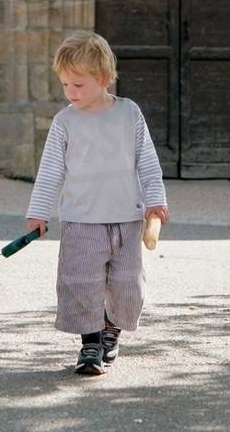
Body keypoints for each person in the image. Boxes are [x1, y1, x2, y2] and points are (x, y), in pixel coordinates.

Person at [24, 30, 170, 376]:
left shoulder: (129, 114)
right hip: (81, 220)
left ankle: (111, 330)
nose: (70, 93)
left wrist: (155, 201)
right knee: (81, 282)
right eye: (64, 86)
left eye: (78, 85)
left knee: (128, 285)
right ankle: (90, 345)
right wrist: (38, 213)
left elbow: (147, 161)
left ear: (104, 79)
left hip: (126, 219)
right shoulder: (65, 123)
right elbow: (49, 173)